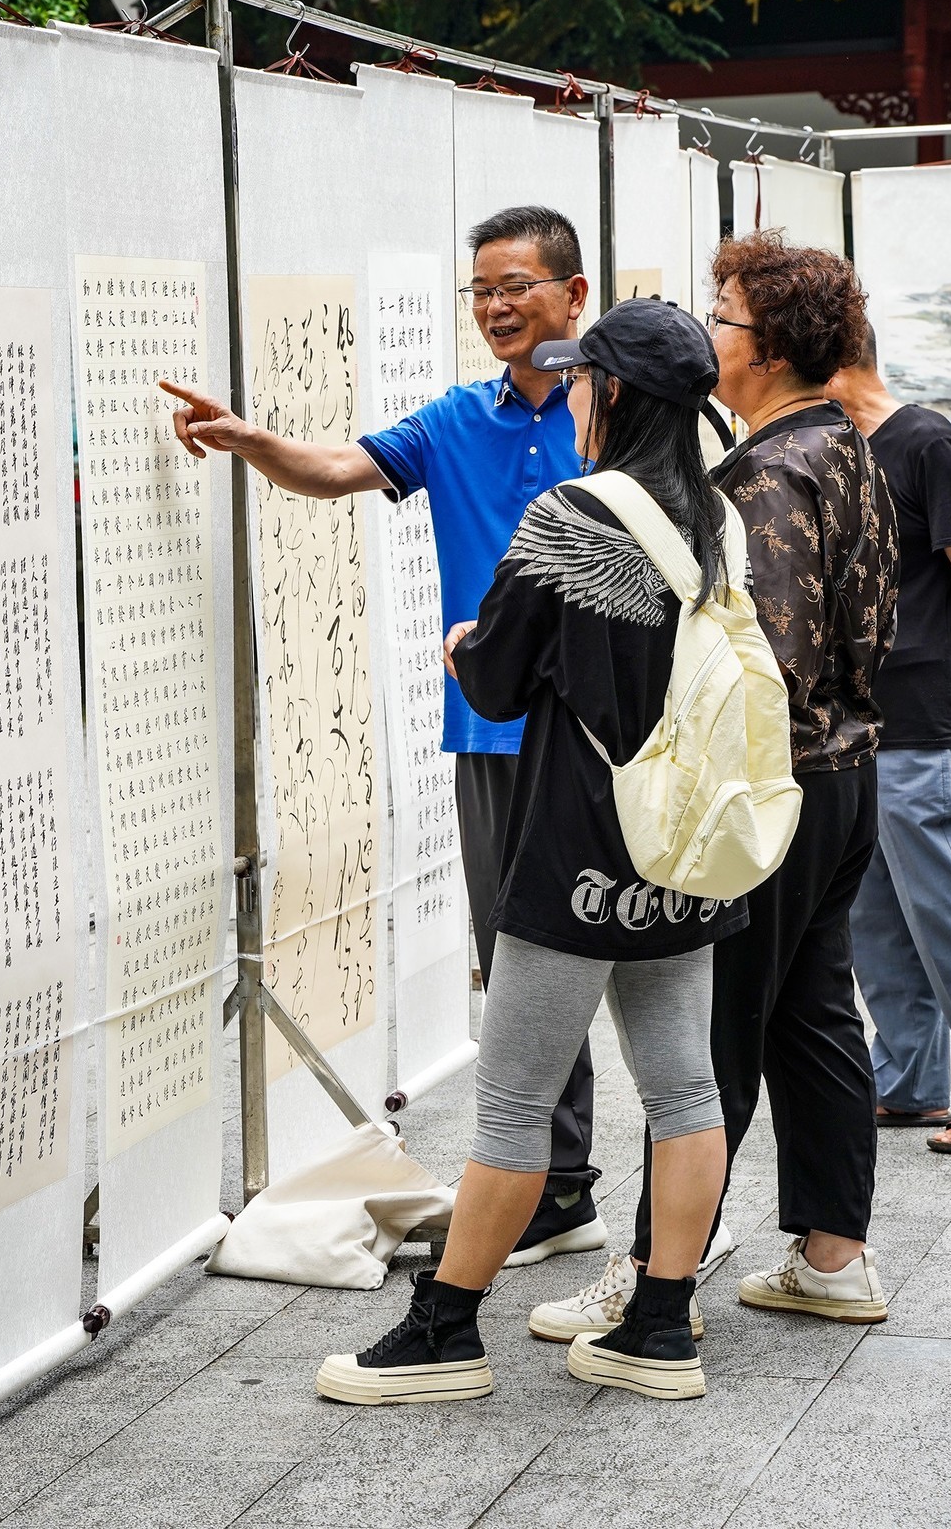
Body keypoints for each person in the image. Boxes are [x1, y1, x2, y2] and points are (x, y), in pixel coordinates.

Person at [314, 299, 747, 1407]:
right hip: (685, 850)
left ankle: (444, 1332)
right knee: (684, 1086)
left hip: (574, 852)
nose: (577, 394)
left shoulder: (574, 514)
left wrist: (465, 642)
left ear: (615, 392)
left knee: (511, 1103)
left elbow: (498, 678)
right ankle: (660, 1324)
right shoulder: (718, 517)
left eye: (588, 378)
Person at [161, 206, 607, 1263]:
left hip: (607, 730)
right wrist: (250, 438)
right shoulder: (456, 419)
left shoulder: (618, 405)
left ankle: (586, 1187)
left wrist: (591, 376)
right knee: (515, 957)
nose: (498, 306)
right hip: (493, 730)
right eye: (483, 290)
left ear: (573, 294)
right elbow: (332, 469)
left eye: (519, 286)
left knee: (620, 958)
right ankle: (559, 1182)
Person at [533, 229, 900, 1342]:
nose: (711, 335)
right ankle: (833, 1255)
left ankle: (656, 1275)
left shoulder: (772, 474)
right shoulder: (841, 444)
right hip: (842, 776)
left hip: (771, 789)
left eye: (723, 316)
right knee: (814, 1015)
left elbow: (757, 669)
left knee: (715, 1036)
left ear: (772, 344)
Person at [829, 332, 951, 1154]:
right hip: (858, 723)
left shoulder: (928, 441)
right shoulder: (838, 452)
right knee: (877, 917)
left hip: (927, 717)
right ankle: (909, 1083)